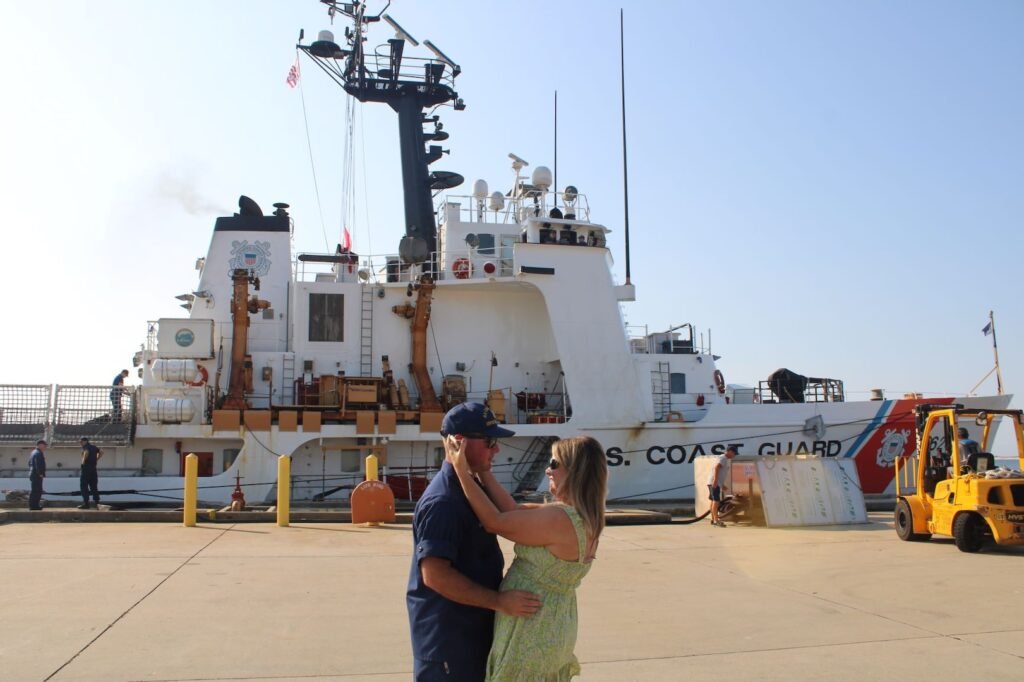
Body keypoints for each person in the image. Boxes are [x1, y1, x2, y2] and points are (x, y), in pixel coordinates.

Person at [449, 434, 608, 681]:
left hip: (533, 630)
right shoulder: (579, 516)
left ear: (575, 470)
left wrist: (461, 471)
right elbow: (512, 511)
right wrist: (482, 472)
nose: (547, 470)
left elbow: (495, 522)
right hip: (550, 623)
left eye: (554, 464)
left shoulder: (560, 520)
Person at [406, 402, 541, 681]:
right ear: (459, 442)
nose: (496, 449)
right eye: (490, 441)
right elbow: (435, 575)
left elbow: (510, 515)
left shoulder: (468, 489)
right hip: (450, 646)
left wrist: (482, 471)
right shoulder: (443, 502)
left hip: (468, 637)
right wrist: (500, 602)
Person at [708, 445, 738, 527]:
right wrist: (716, 481)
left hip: (713, 482)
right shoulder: (723, 458)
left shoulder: (722, 458)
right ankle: (716, 520)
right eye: (734, 453)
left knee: (713, 500)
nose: (734, 455)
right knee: (716, 501)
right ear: (730, 452)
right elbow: (717, 468)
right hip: (714, 483)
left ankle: (713, 519)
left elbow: (720, 472)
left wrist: (722, 484)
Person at [79, 437, 102, 509]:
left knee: (84, 486)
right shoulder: (94, 447)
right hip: (93, 469)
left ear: (84, 441)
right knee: (94, 486)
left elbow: (86, 452)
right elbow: (102, 452)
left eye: (81, 442)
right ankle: (97, 503)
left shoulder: (85, 447)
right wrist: (97, 459)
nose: (80, 443)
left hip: (86, 469)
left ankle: (86, 503)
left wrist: (83, 461)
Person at [28, 439, 47, 511]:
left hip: (33, 473)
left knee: (35, 490)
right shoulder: (38, 453)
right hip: (36, 474)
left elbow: (29, 463)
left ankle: (34, 505)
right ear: (40, 445)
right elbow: (37, 464)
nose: (45, 447)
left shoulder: (33, 452)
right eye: (44, 445)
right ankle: (34, 505)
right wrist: (40, 473)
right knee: (37, 490)